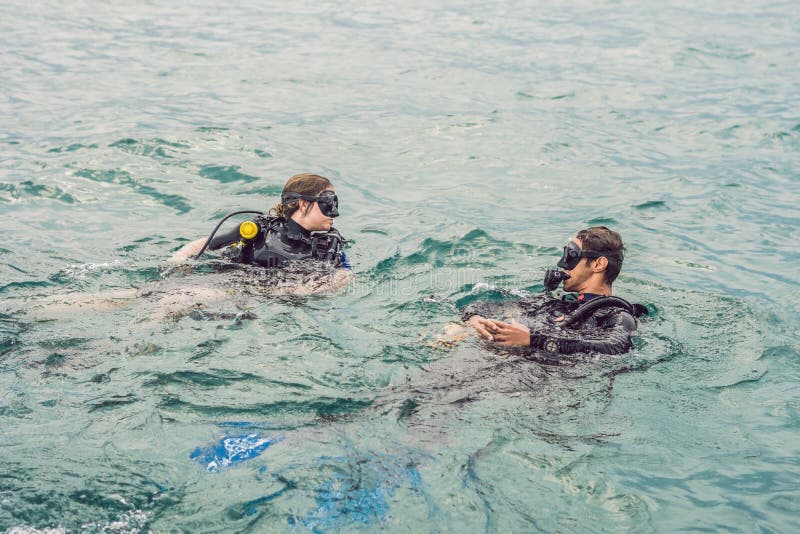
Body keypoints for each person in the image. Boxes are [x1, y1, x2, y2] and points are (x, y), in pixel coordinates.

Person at [462, 226, 644, 355]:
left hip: (541, 375)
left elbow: (616, 346)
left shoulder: (617, 315)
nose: (562, 264)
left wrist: (533, 340)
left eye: (571, 256)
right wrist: (474, 318)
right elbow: (485, 305)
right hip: (499, 357)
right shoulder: (554, 302)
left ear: (598, 264)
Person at [170, 173, 349, 271]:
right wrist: (178, 259)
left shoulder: (327, 248)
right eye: (328, 202)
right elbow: (207, 244)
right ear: (303, 204)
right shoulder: (260, 229)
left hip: (257, 300)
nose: (334, 212)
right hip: (224, 283)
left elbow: (340, 279)